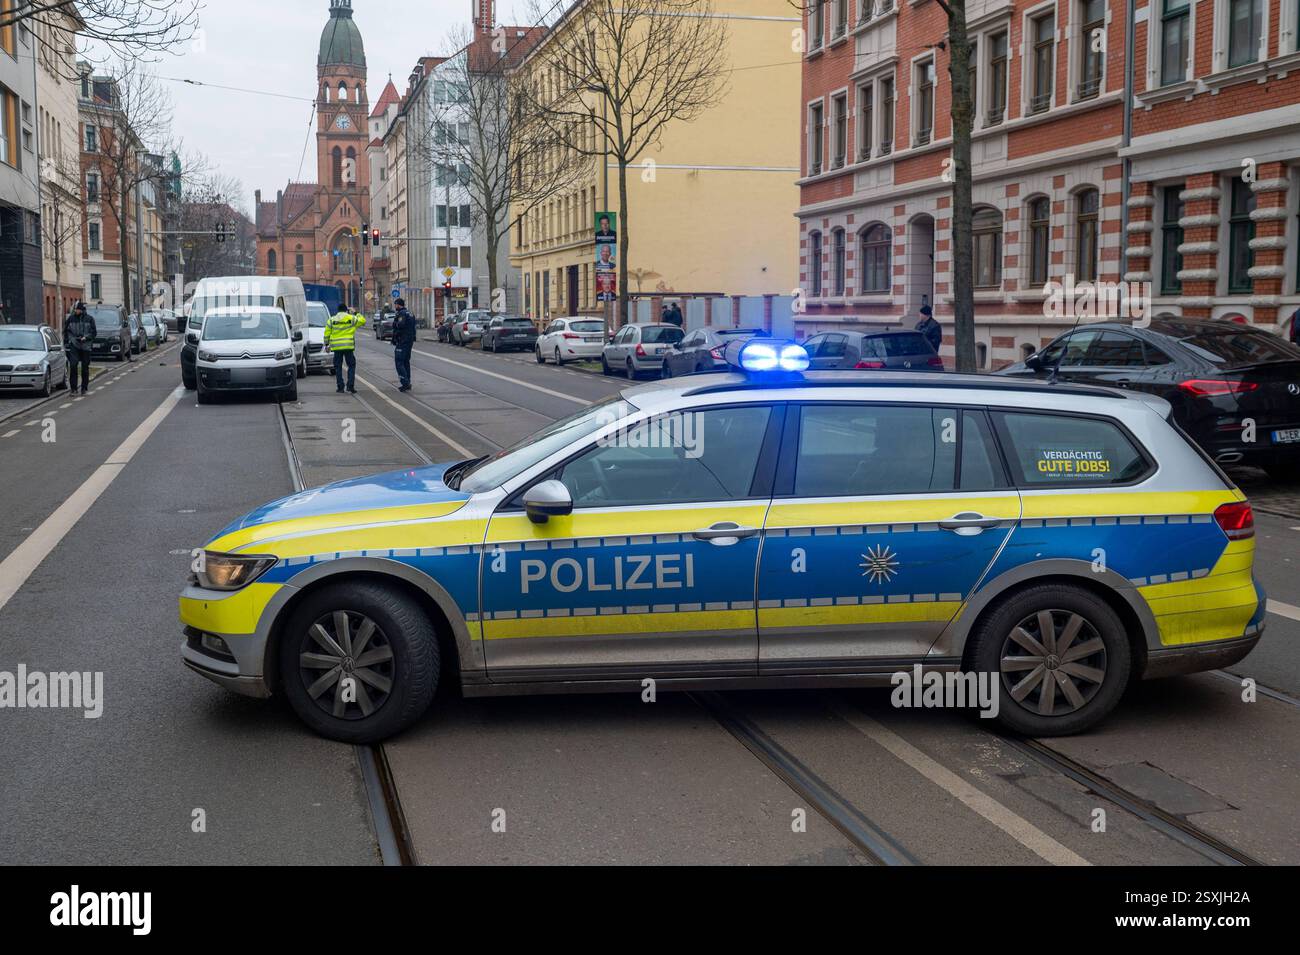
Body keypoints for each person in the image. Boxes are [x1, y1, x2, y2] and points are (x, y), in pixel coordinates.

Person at [325, 302, 366, 393]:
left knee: (338, 367)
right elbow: (363, 321)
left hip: (336, 348)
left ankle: (340, 387)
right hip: (348, 346)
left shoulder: (332, 320)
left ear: (338, 310)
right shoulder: (351, 318)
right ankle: (350, 386)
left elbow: (327, 333)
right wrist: (355, 313)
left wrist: (326, 345)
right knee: (351, 365)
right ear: (346, 310)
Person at [64, 302, 97, 395]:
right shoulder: (71, 319)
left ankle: (84, 388)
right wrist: (69, 341)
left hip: (86, 346)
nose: (76, 311)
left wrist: (86, 337)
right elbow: (66, 331)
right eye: (75, 309)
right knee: (73, 366)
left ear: (82, 310)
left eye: (77, 309)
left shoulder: (90, 319)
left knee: (85, 368)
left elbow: (94, 332)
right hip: (74, 345)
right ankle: (73, 389)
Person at [391, 298, 416, 392]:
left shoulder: (402, 313)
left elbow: (400, 325)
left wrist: (395, 324)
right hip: (409, 340)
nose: (395, 307)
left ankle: (405, 382)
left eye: (395, 305)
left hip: (403, 340)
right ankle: (408, 381)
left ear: (398, 304)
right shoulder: (410, 313)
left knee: (399, 361)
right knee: (406, 361)